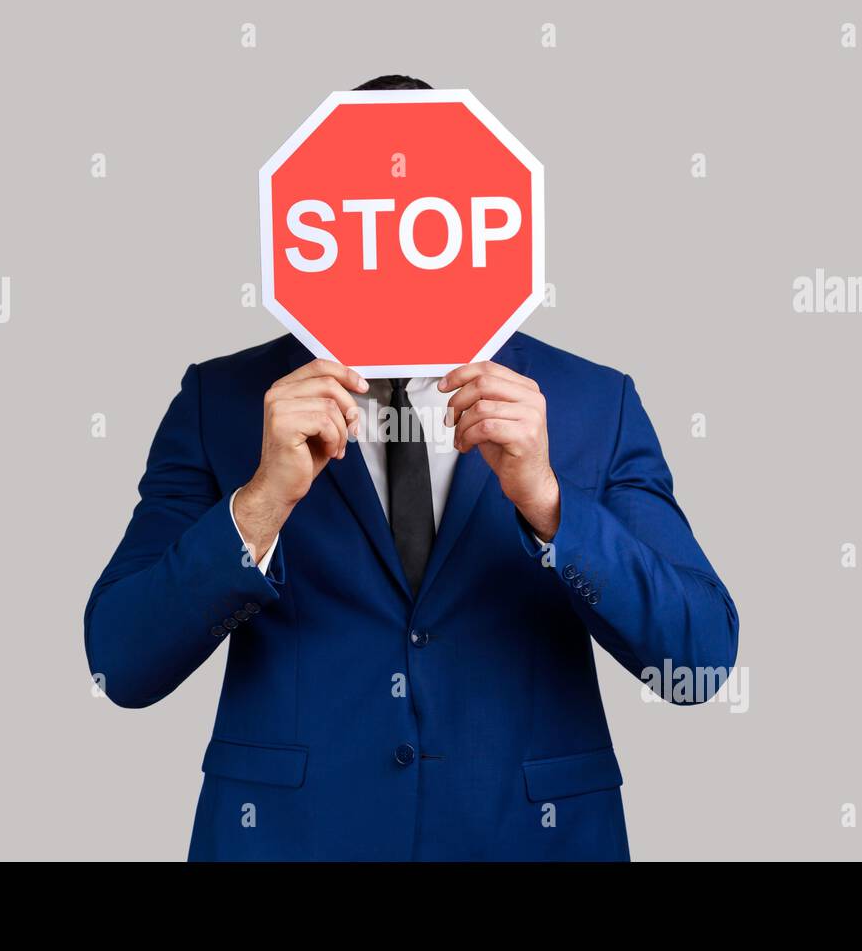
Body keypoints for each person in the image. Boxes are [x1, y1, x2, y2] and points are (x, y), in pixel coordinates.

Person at [84, 74, 739, 861]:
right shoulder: (222, 401)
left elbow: (697, 665)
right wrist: (258, 507)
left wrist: (553, 506)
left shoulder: (594, 403)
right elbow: (121, 666)